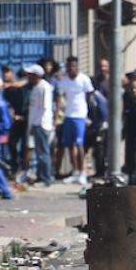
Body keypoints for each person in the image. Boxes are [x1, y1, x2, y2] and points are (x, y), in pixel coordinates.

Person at [55, 56, 94, 185]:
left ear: (77, 66)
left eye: (74, 66)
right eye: (70, 66)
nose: (72, 68)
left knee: (79, 145)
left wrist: (88, 114)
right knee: (70, 145)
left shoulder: (84, 79)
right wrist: (58, 116)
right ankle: (75, 171)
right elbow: (60, 98)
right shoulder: (64, 81)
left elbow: (89, 95)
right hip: (68, 116)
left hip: (80, 116)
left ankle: (83, 172)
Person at [25, 63, 54, 186]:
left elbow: (45, 107)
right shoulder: (36, 87)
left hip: (42, 123)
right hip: (36, 124)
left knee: (43, 153)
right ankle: (40, 176)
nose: (29, 77)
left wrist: (39, 124)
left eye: (31, 75)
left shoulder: (44, 87)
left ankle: (45, 178)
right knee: (39, 152)